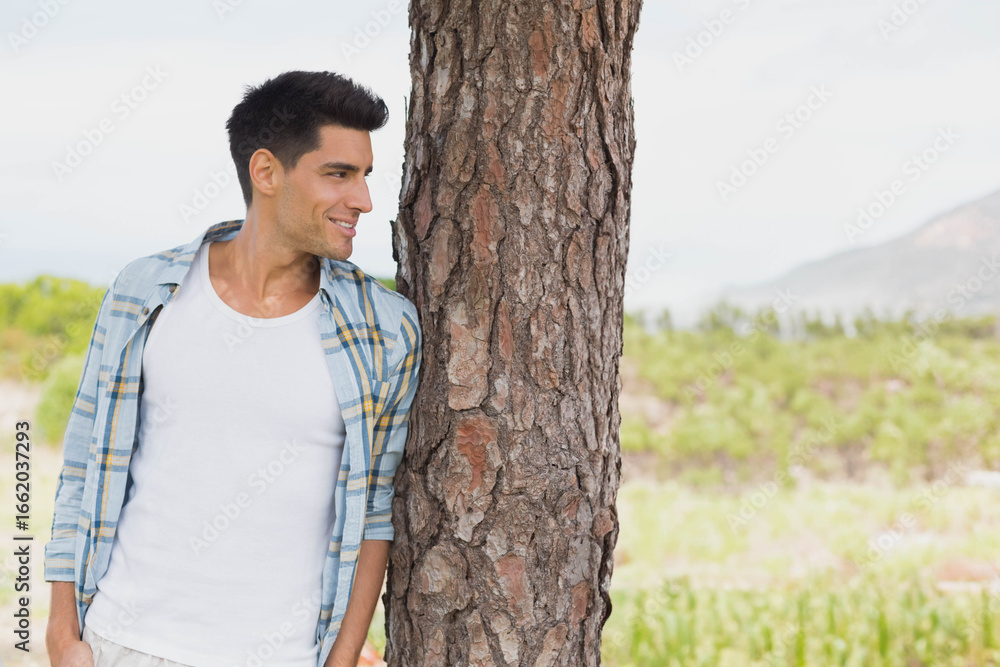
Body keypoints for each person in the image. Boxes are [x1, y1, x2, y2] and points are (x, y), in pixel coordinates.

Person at [43, 70, 422, 667]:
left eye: (365, 176)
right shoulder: (145, 291)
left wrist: (343, 656)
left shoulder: (385, 328)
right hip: (123, 644)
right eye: (338, 174)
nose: (364, 200)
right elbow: (85, 462)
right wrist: (64, 637)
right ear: (266, 172)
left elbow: (376, 509)